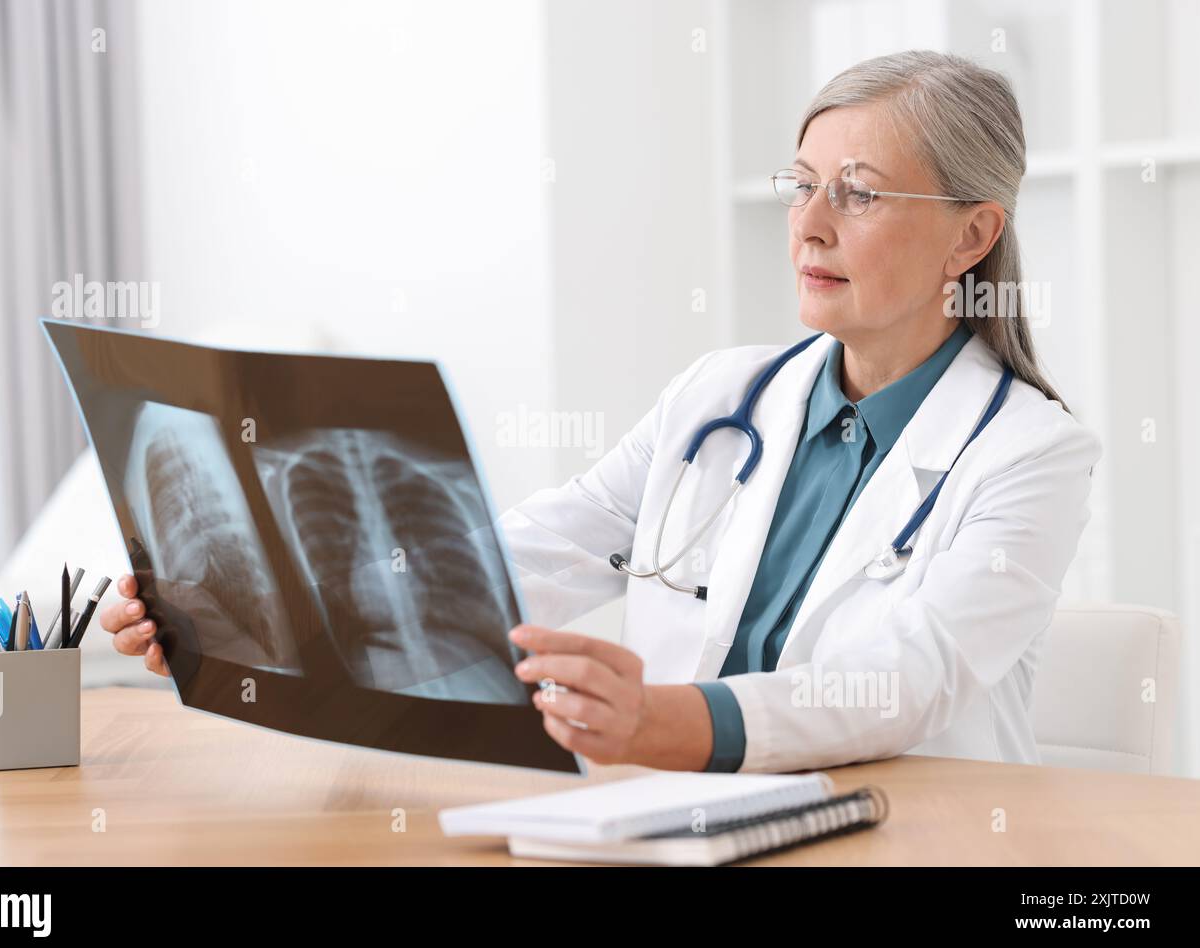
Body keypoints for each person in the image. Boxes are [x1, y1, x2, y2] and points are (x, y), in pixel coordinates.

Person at [101, 50, 1099, 774]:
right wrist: (262, 615)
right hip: (674, 818)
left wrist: (654, 722)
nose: (808, 223)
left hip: (907, 834)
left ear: (970, 235)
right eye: (800, 186)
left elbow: (908, 678)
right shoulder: (721, 398)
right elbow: (527, 561)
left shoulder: (1031, 454)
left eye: (859, 195)